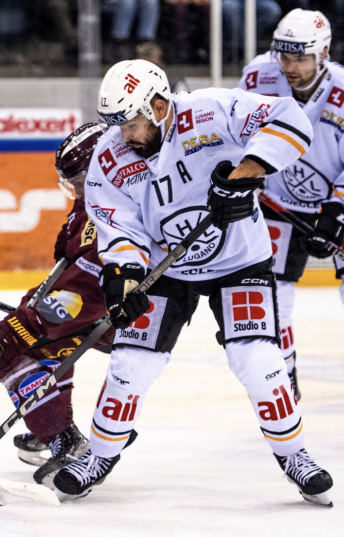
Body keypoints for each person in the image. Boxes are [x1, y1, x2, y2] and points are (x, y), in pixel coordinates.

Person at [52, 59, 334, 507]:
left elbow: (290, 119)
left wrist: (243, 176)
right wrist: (124, 280)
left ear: (159, 106)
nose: (124, 136)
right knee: (130, 364)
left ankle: (294, 455)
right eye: (117, 125)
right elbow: (119, 227)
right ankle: (99, 456)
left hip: (240, 259)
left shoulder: (211, 110)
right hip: (167, 269)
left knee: (258, 359)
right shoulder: (110, 156)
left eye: (131, 123)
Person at [0, 123, 126, 486]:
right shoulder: (99, 194)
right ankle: (56, 425)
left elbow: (87, 289)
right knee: (34, 338)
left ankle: (60, 435)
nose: (76, 190)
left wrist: (30, 321)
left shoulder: (110, 210)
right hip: (105, 303)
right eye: (70, 183)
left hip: (117, 309)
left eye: (79, 181)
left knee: (0, 346)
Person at [238, 9, 344, 402]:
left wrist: (335, 212)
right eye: (284, 56)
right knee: (273, 293)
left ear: (324, 54)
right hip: (277, 201)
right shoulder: (258, 76)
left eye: (301, 58)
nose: (290, 67)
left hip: (335, 202)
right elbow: (235, 129)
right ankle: (283, 376)